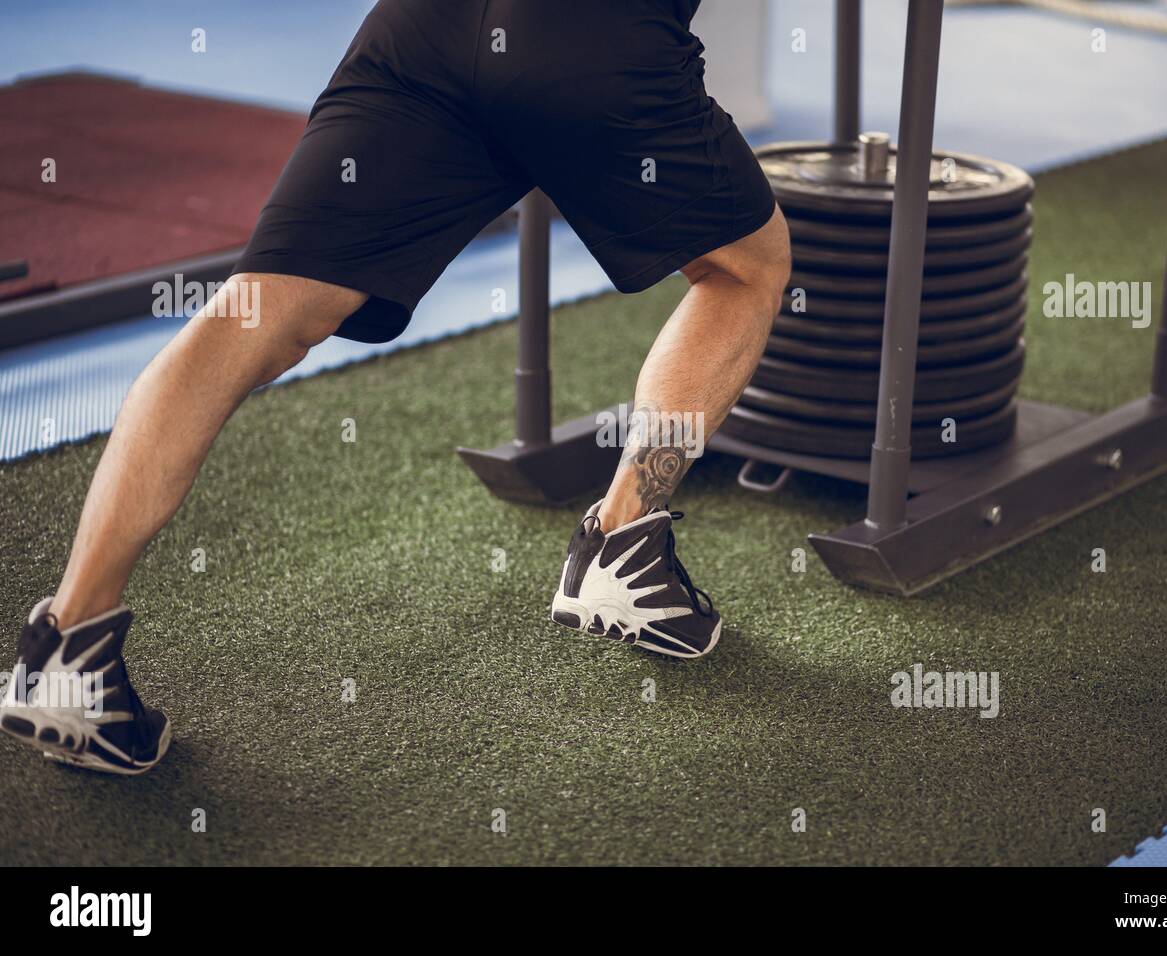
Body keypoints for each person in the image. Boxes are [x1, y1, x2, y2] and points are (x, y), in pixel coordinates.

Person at [0, 0, 790, 774]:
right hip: (589, 34)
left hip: (421, 33)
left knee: (248, 315)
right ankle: (620, 546)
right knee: (746, 268)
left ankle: (71, 639)